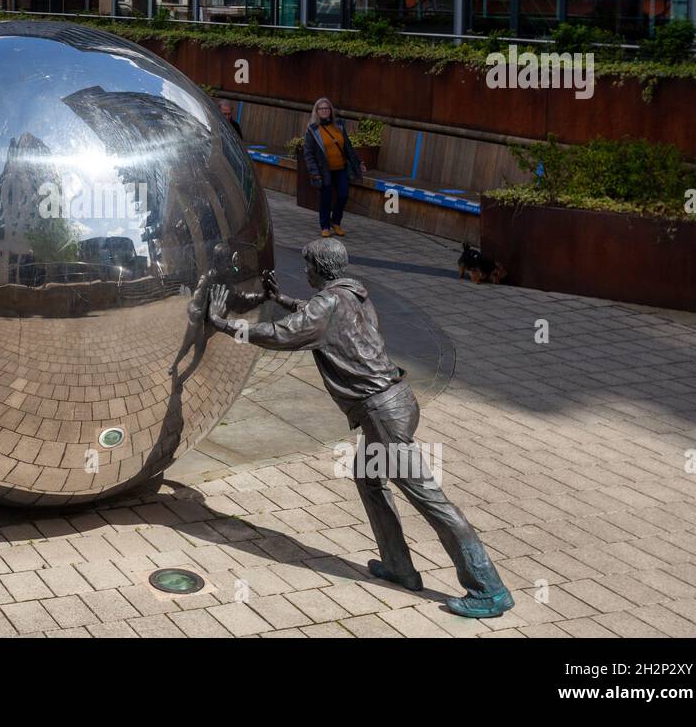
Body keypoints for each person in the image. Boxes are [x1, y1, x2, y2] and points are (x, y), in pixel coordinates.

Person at [206, 238, 515, 619]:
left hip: (381, 414)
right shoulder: (355, 295)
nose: (306, 272)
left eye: (308, 267)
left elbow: (283, 335)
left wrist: (222, 324)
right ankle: (399, 566)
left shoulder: (329, 303)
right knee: (367, 478)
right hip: (395, 402)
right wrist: (283, 299)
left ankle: (489, 589)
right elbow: (314, 316)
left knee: (431, 501)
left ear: (319, 269)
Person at [303, 97, 364, 238]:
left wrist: (358, 162)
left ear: (330, 110)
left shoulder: (339, 126)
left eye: (327, 108)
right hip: (324, 171)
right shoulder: (313, 130)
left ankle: (336, 222)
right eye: (321, 109)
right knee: (326, 198)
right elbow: (308, 154)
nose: (324, 111)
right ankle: (324, 226)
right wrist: (314, 173)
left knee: (343, 195)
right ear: (317, 112)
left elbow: (348, 147)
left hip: (340, 168)